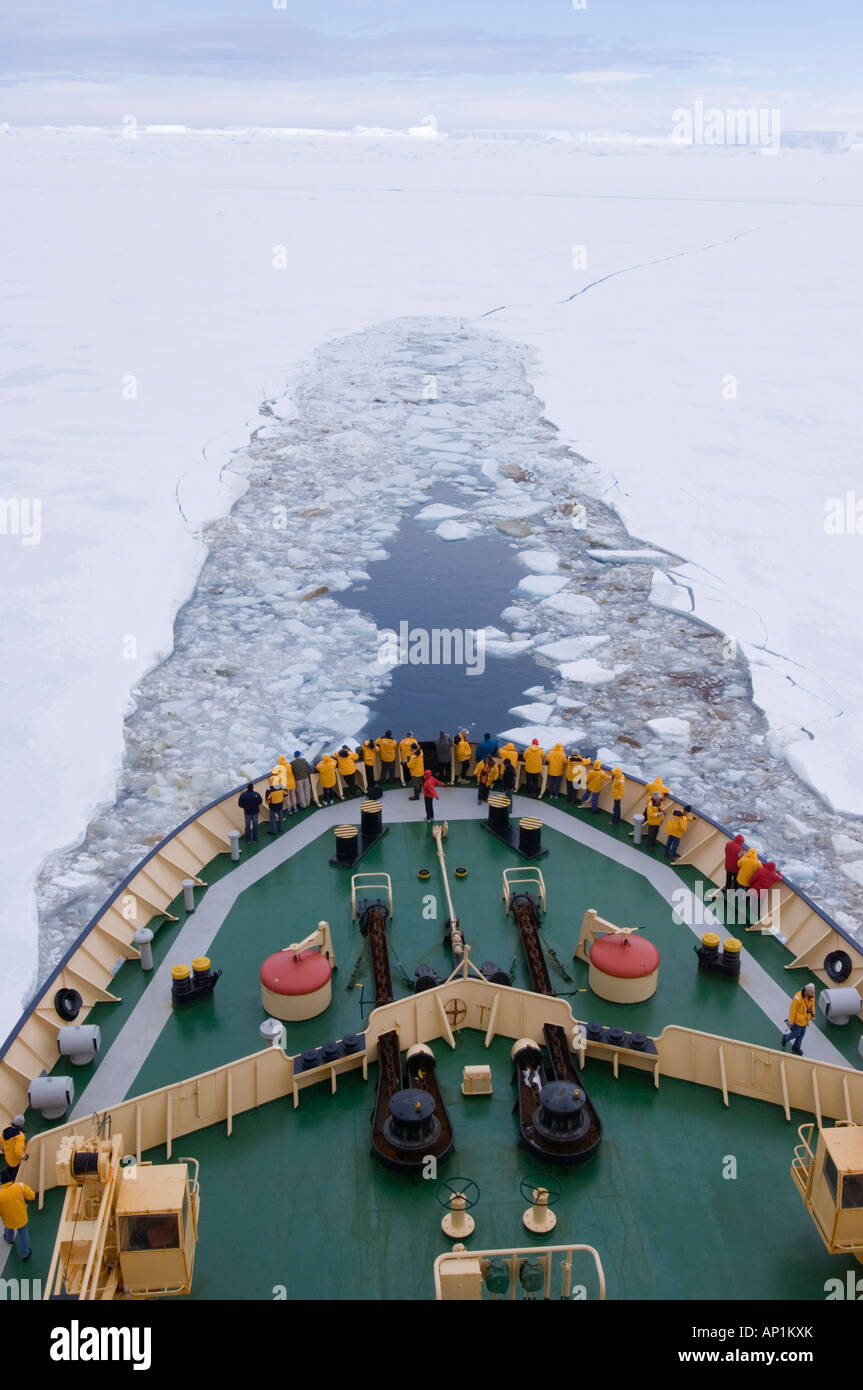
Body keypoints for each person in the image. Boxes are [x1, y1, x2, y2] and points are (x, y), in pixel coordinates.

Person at [0, 1167, 34, 1261]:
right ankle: (25, 1254)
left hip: (8, 1219)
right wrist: (32, 1199)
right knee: (23, 1234)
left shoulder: (0, 1194)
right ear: (11, 1179)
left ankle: (9, 1239)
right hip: (21, 1217)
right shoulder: (19, 1186)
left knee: (8, 1228)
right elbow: (31, 1195)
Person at [781, 984, 816, 1055]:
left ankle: (796, 1047)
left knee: (801, 1035)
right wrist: (791, 1021)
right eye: (813, 991)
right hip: (797, 1020)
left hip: (804, 1020)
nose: (814, 993)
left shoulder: (811, 996)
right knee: (796, 1033)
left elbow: (812, 1007)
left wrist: (812, 1016)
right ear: (808, 991)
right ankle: (785, 1038)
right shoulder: (798, 997)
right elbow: (792, 1010)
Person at [265, 768, 288, 834]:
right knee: (280, 816)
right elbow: (286, 794)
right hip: (280, 804)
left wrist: (269, 803)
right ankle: (281, 828)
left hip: (273, 806)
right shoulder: (282, 787)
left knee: (272, 818)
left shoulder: (269, 789)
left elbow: (267, 799)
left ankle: (274, 830)